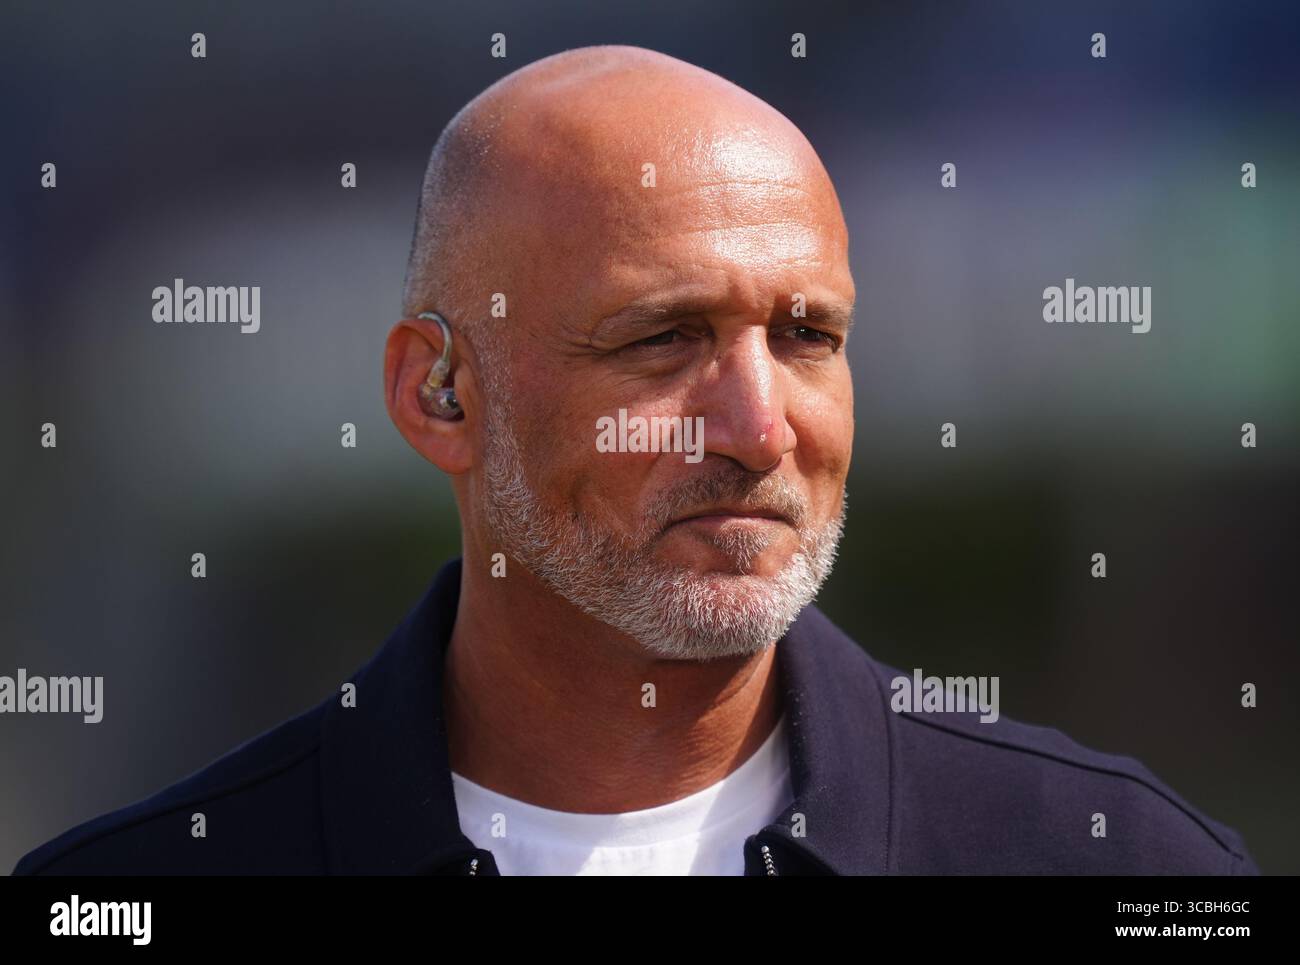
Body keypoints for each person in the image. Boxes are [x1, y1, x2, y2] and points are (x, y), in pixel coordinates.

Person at [13, 45, 1259, 876]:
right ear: (438, 391)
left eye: (807, 336)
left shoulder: (1118, 862)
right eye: (664, 339)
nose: (762, 428)